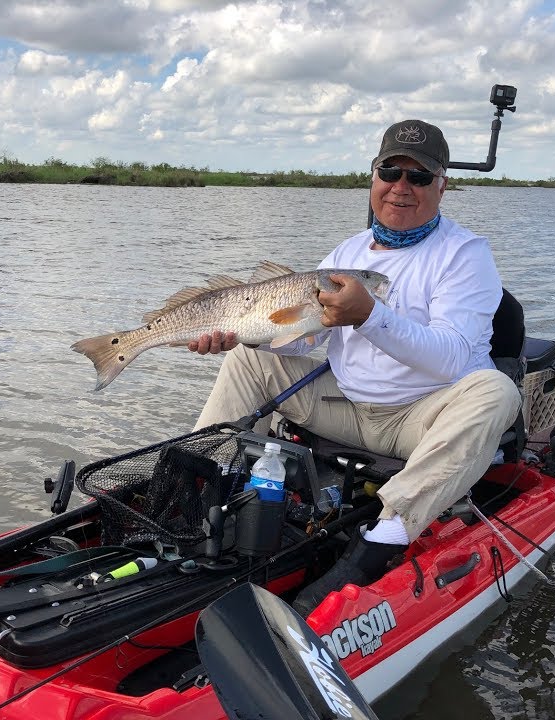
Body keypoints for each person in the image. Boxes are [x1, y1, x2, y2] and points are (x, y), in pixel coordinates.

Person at [188, 119, 522, 615]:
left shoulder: (466, 255)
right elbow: (309, 336)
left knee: (496, 392)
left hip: (420, 419)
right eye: (391, 171)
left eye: (420, 177)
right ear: (373, 176)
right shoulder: (347, 252)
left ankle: (381, 540)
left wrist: (369, 315)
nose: (401, 186)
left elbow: (452, 356)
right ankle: (193, 484)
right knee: (246, 359)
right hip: (344, 406)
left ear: (442, 185)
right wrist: (245, 335)